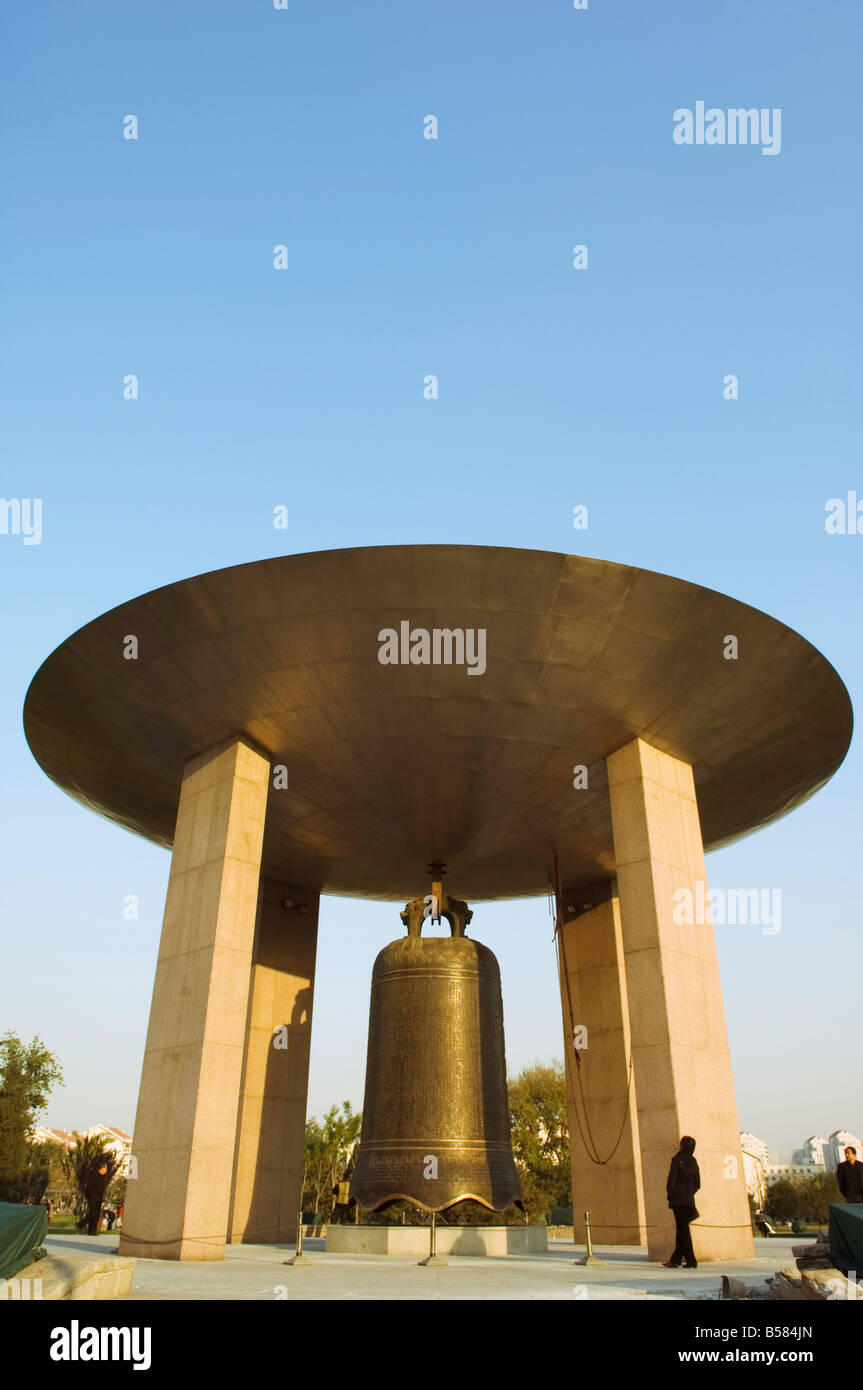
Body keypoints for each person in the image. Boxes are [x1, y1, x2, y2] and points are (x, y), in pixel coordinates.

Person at [662, 1135, 700, 1269]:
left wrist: (671, 1195)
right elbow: (697, 1184)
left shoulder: (677, 1160)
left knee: (683, 1230)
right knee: (682, 1229)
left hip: (678, 1200)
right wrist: (688, 1194)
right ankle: (676, 1259)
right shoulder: (693, 1161)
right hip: (688, 1200)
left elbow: (671, 1180)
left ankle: (691, 1260)